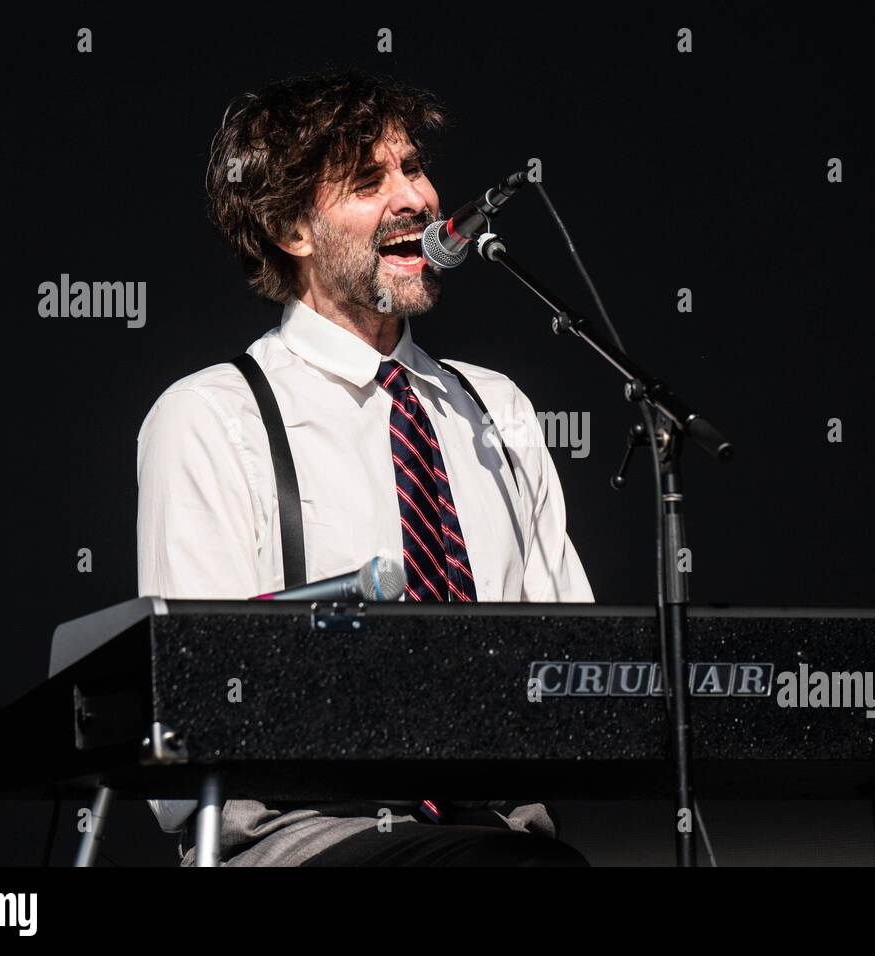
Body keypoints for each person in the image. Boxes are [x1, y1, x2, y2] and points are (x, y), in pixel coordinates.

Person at [135, 68, 593, 866]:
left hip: (500, 835)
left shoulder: (498, 410)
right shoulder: (212, 417)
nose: (415, 198)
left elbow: (583, 679)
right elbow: (191, 720)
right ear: (291, 229)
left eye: (413, 168)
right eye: (368, 180)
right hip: (304, 837)